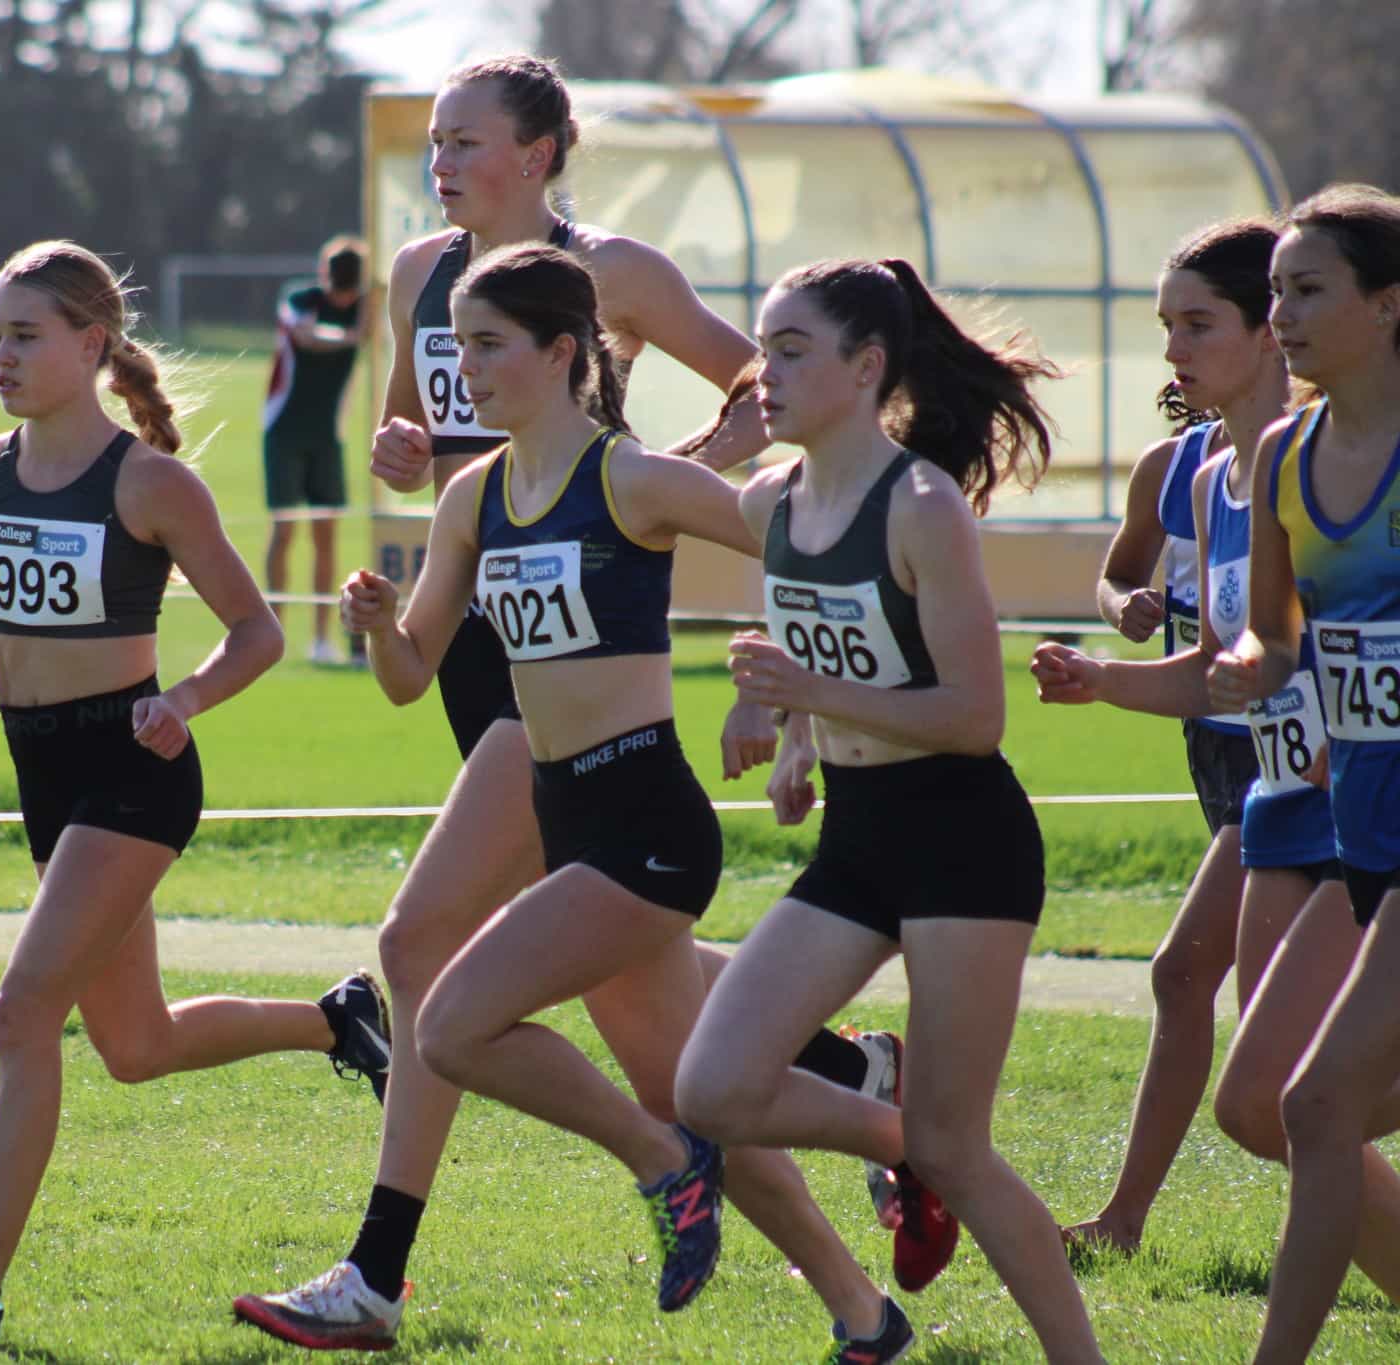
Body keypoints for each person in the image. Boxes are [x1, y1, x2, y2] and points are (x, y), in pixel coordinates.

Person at [233, 55, 893, 1353]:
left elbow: (758, 398)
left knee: (422, 952)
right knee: (675, 1066)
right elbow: (438, 444)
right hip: (486, 641)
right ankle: (861, 1276)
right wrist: (409, 458)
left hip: (581, 665)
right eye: (432, 142)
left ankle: (377, 1270)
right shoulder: (431, 275)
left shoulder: (618, 275)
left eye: (465, 140)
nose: (441, 162)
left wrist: (667, 483)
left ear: (538, 154)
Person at [0, 240, 392, 1350]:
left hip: (133, 774)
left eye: (24, 334)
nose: (0, 355)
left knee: (19, 1012)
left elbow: (259, 631)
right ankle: (336, 1022)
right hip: (43, 778)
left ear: (91, 345)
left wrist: (182, 700)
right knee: (133, 1047)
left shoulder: (147, 482)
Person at [671, 257, 1104, 1363]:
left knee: (959, 1150)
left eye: (789, 351)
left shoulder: (921, 508)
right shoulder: (768, 501)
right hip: (858, 835)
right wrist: (788, 737)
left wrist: (802, 695)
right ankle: (896, 1133)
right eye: (761, 347)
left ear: (866, 368)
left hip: (963, 841)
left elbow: (972, 716)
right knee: (711, 1089)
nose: (758, 373)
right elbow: (815, 637)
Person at [1027, 220, 1287, 1254]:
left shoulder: (1314, 464)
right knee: (1255, 1027)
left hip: (1305, 770)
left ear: (1269, 329)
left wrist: (1106, 681)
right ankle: (1129, 1220)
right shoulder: (1191, 467)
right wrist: (1117, 626)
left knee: (1204, 991)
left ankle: (1131, 1219)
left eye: (1196, 323)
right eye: (1162, 325)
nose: (1172, 348)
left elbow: (1249, 670)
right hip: (1230, 745)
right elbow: (1195, 640)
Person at [1201, 185, 1400, 1364]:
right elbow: (1270, 644)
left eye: (1306, 288)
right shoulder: (1280, 454)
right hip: (1359, 830)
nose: (1278, 312)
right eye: (1272, 290)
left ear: (1386, 305)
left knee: (1314, 1106)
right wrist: (1223, 668)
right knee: (1270, 1101)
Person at [264, 236, 371, 665]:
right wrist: (352, 336)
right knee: (285, 530)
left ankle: (322, 638)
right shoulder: (298, 298)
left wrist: (361, 326)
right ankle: (272, 635)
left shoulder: (366, 304)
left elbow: (376, 330)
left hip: (328, 435)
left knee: (326, 535)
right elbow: (306, 338)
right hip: (285, 428)